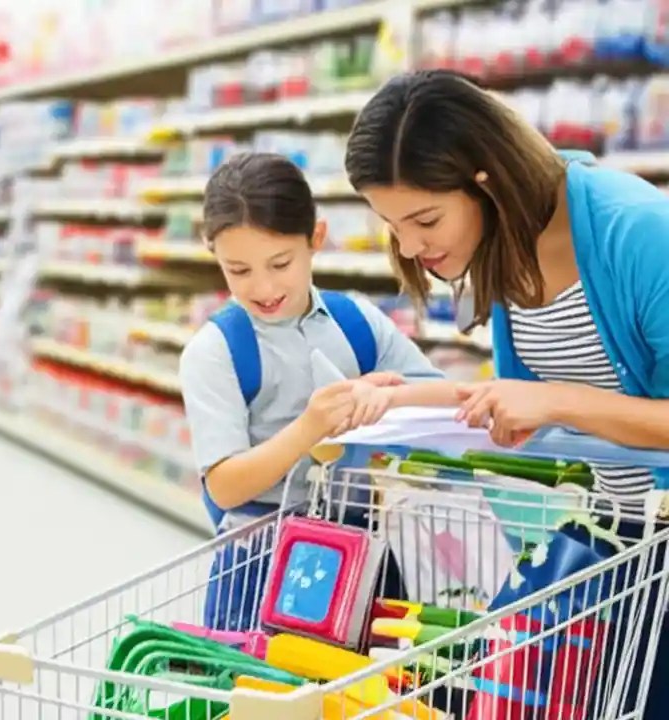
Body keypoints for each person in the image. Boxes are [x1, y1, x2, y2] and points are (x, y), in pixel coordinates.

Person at [344, 68, 669, 716]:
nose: (409, 245)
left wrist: (554, 403)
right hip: (624, 551)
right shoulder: (506, 248)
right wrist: (400, 398)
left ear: (485, 181)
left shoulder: (634, 231)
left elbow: (555, 400)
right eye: (390, 223)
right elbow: (523, 401)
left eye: (424, 218)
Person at [179, 152, 455, 630]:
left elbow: (448, 396)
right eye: (238, 271)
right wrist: (310, 427)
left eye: (280, 263)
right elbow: (223, 485)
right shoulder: (215, 351)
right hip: (259, 563)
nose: (263, 286)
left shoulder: (357, 322)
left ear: (316, 240)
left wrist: (387, 392)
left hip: (366, 550)